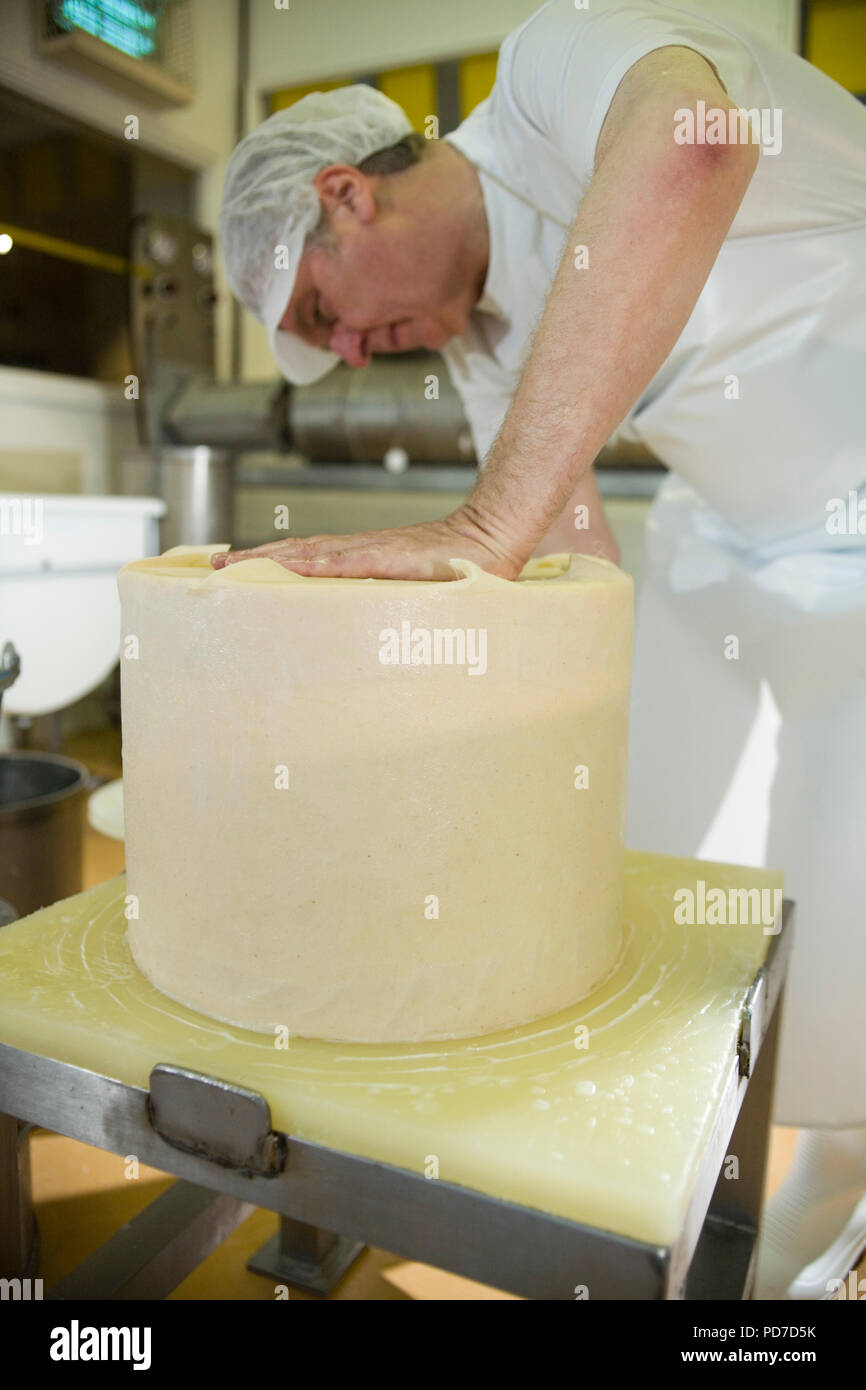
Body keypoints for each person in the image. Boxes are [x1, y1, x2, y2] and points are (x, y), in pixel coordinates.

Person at [218, 0, 866, 1298]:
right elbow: (563, 552)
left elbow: (692, 146)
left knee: (843, 917)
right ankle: (741, 1149)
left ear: (345, 194)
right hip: (745, 535)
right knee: (663, 861)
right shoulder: (480, 336)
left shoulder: (543, 67)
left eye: (323, 310)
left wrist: (485, 517)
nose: (345, 352)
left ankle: (831, 1168)